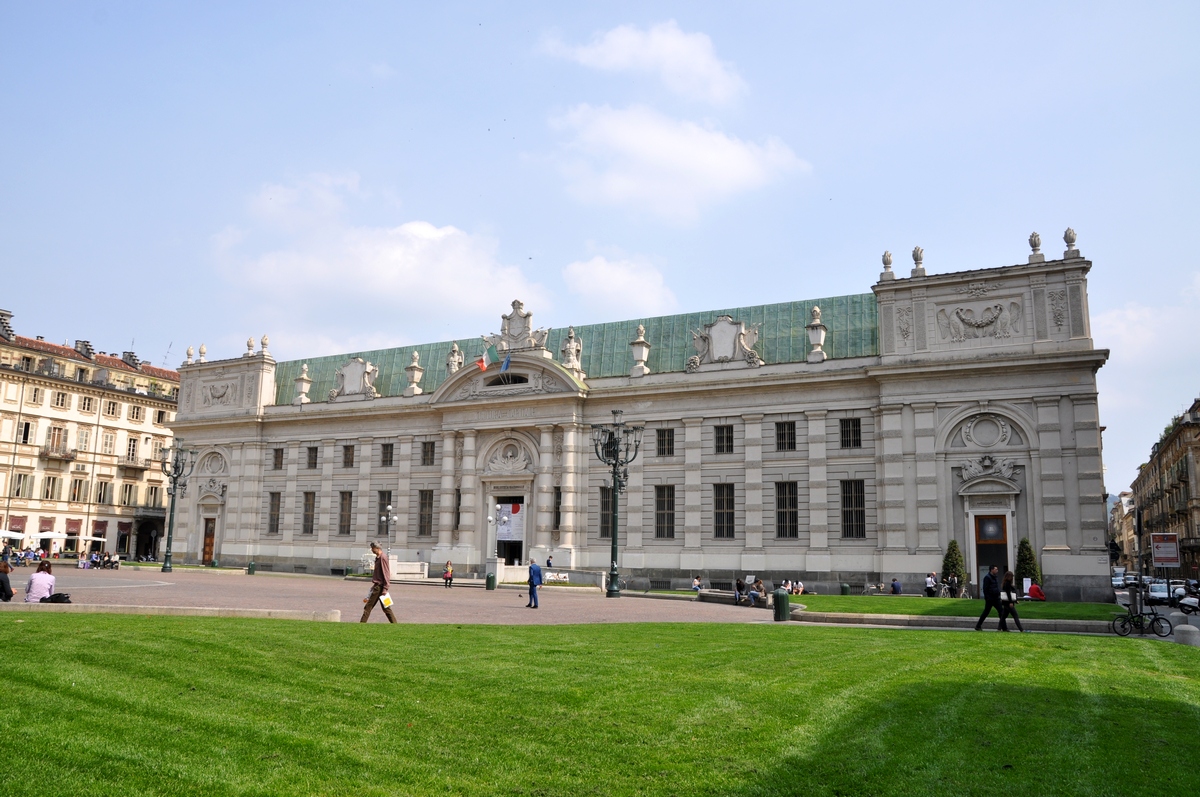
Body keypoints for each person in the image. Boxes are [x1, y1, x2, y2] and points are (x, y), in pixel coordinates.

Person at [359, 542, 396, 623]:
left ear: (377, 548)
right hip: (378, 586)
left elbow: (386, 573)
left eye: (372, 548)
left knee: (368, 607)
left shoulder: (383, 558)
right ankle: (395, 624)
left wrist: (385, 589)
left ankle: (361, 624)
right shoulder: (378, 558)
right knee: (386, 608)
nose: (371, 550)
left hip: (379, 587)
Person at [975, 565, 1003, 631]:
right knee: (986, 612)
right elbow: (985, 588)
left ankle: (1003, 627)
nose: (997, 571)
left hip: (996, 597)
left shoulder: (994, 577)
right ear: (992, 570)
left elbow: (996, 587)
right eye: (996, 569)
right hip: (990, 598)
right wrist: (987, 597)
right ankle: (978, 626)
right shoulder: (987, 578)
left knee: (1001, 612)